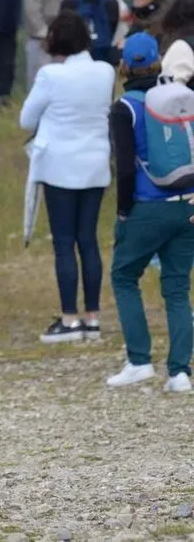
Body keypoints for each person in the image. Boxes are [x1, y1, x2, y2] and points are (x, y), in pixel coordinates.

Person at [19, 11, 114, 344]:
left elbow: (26, 120)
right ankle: (92, 319)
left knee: (64, 243)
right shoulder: (105, 72)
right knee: (88, 240)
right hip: (95, 165)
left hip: (60, 167)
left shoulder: (50, 76)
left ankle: (69, 320)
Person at [107, 33, 194, 391]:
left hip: (145, 208)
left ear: (124, 66)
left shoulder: (124, 107)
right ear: (158, 61)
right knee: (176, 288)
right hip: (186, 208)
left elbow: (125, 169)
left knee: (124, 275)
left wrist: (124, 211)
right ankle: (180, 373)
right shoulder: (180, 101)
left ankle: (140, 361)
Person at [59, 0, 120, 65]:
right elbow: (111, 32)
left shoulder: (69, 4)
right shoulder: (111, 4)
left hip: (74, 62)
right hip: (103, 63)